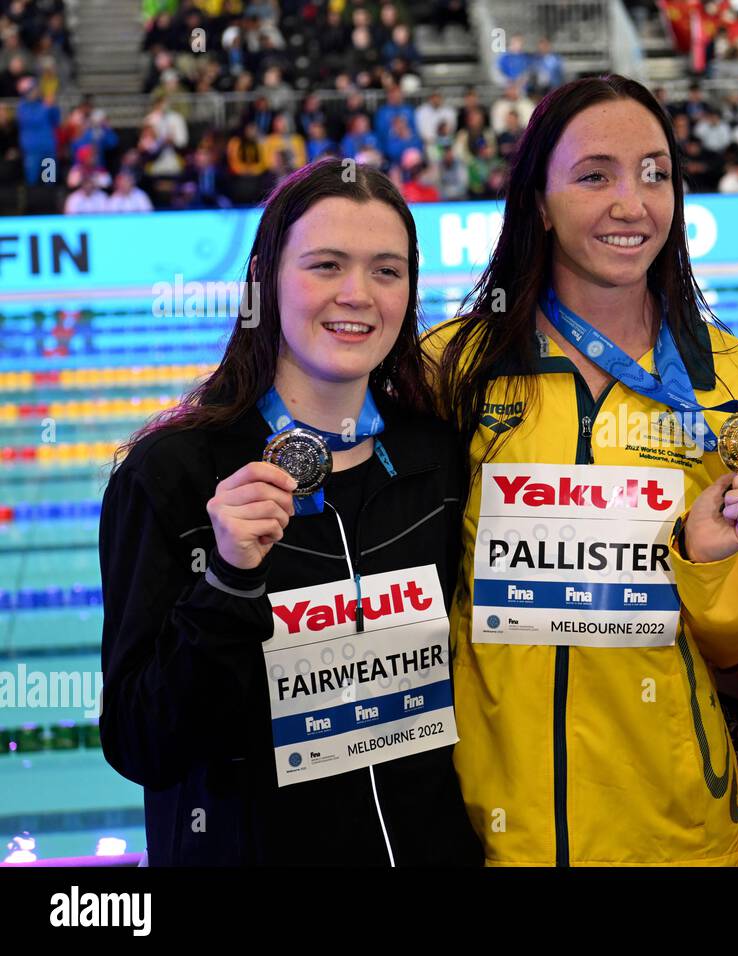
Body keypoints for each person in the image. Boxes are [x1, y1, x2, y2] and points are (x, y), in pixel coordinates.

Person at [428, 75, 738, 866]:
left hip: (679, 839)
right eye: (596, 176)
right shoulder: (454, 370)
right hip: (494, 834)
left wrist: (704, 562)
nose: (633, 204)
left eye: (655, 174)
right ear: (539, 203)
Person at [100, 158, 483, 866]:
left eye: (386, 271)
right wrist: (228, 582)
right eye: (326, 265)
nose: (357, 295)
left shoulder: (437, 460)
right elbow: (140, 741)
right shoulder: (173, 476)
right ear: (265, 282)